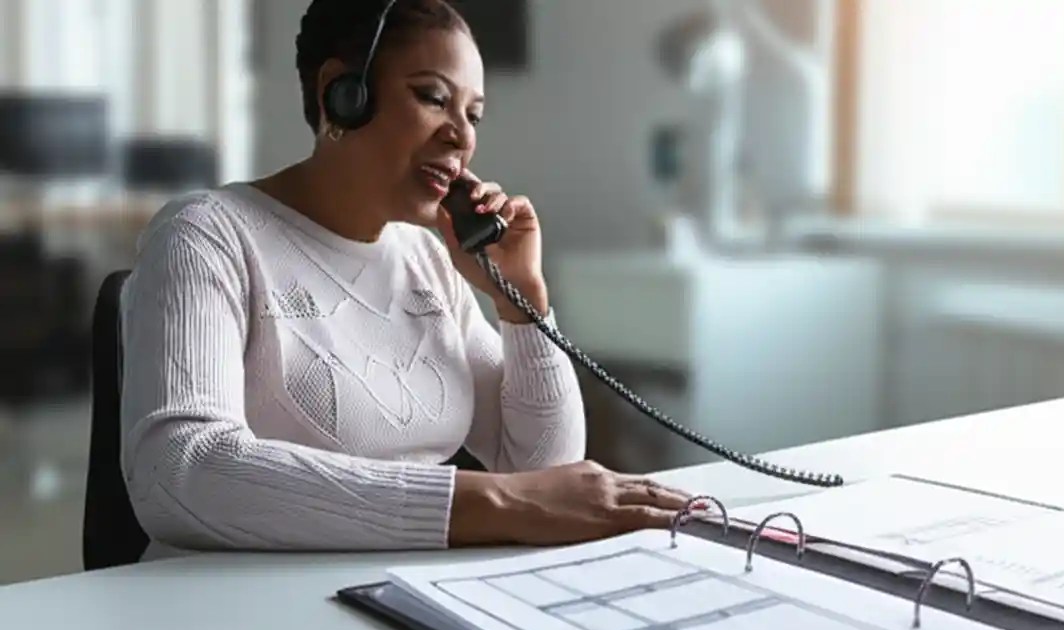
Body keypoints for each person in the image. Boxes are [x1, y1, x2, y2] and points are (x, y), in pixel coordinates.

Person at [119, 0, 691, 558]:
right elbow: (179, 470)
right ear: (343, 96)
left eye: (473, 116)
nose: (461, 137)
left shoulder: (427, 256)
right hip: (222, 613)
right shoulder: (205, 235)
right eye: (434, 98)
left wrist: (522, 301)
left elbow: (543, 472)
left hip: (392, 591)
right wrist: (486, 504)